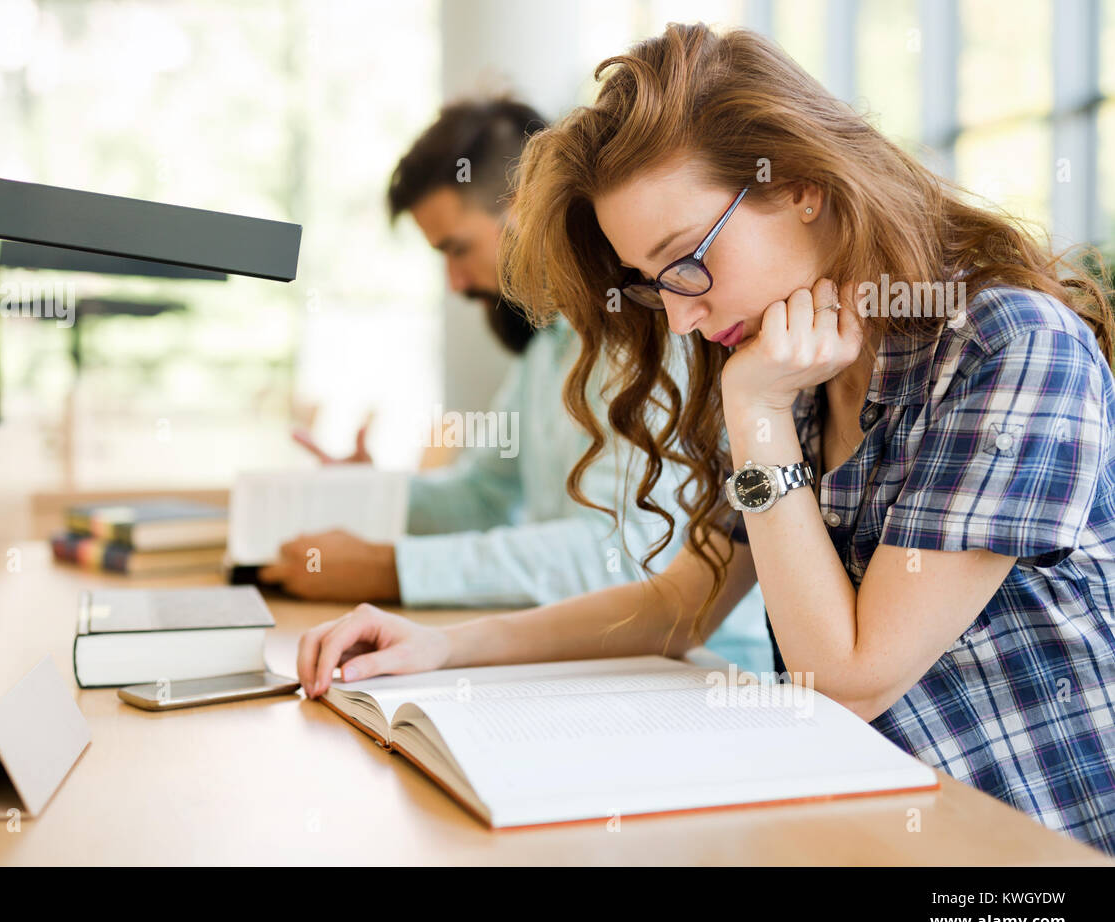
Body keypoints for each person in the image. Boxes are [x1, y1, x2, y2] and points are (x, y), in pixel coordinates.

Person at [294, 24, 1115, 855]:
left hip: (1022, 855)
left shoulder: (1006, 346)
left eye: (686, 259)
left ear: (801, 185)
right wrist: (445, 646)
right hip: (860, 822)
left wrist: (758, 420)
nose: (682, 313)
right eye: (653, 284)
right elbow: (685, 600)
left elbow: (847, 681)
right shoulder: (793, 361)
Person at [264, 96, 772, 672]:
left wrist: (391, 567)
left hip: (702, 666)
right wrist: (368, 495)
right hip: (613, 654)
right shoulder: (550, 343)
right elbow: (485, 494)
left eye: (457, 248)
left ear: (524, 211)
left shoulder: (650, 337)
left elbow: (618, 556)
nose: (455, 283)